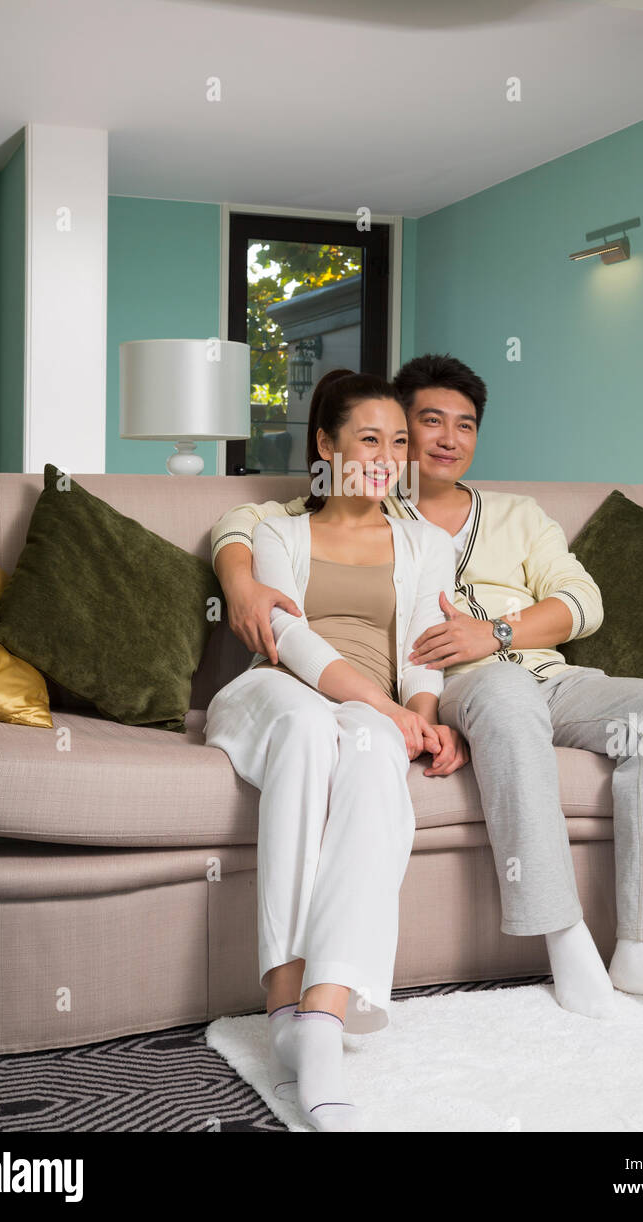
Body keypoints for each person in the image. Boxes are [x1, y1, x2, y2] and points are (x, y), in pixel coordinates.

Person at [213, 353, 643, 1031]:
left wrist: (499, 631)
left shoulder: (517, 514)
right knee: (504, 693)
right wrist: (240, 581)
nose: (448, 438)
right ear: (395, 427)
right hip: (464, 686)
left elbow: (583, 601)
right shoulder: (361, 499)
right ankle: (561, 936)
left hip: (545, 673)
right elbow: (243, 525)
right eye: (428, 422)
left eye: (466, 425)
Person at [204, 370, 460, 1132]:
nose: (388, 456)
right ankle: (281, 995)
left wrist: (419, 715)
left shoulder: (425, 542)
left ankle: (319, 1017)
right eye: (369, 439)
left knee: (376, 749)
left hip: (365, 712)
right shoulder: (277, 531)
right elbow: (288, 640)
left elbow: (422, 655)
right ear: (325, 444)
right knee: (321, 725)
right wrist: (383, 705)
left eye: (399, 442)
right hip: (276, 694)